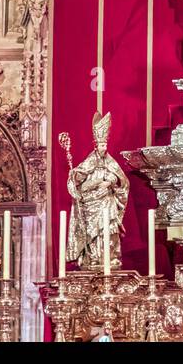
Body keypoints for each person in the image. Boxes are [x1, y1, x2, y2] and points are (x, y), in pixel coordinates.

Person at [66, 110, 129, 269]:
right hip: (91, 204)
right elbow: (79, 179)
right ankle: (93, 257)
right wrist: (75, 175)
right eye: (101, 145)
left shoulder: (110, 162)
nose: (104, 147)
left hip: (107, 202)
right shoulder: (89, 162)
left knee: (109, 229)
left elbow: (122, 181)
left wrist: (111, 182)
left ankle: (111, 256)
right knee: (93, 233)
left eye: (105, 144)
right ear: (95, 145)